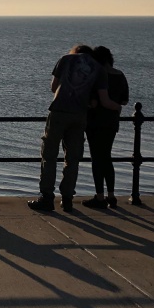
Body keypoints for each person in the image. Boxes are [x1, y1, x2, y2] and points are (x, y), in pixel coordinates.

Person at [28, 44, 120, 213]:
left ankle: (47, 197)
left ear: (75, 52)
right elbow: (103, 98)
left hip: (59, 112)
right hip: (79, 115)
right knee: (73, 158)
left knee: (49, 155)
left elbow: (53, 88)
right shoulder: (98, 69)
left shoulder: (65, 59)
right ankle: (67, 199)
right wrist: (118, 108)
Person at [83, 45, 129, 209]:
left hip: (95, 122)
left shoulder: (97, 75)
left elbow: (94, 101)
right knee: (107, 158)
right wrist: (115, 106)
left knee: (97, 159)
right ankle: (111, 195)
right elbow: (124, 100)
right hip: (112, 122)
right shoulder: (120, 75)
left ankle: (100, 197)